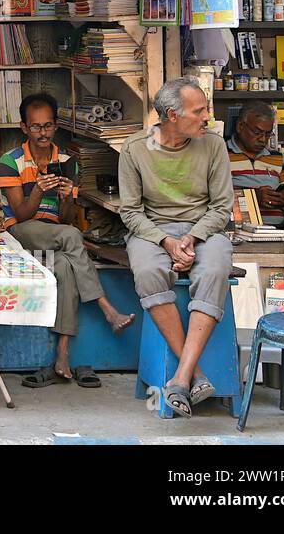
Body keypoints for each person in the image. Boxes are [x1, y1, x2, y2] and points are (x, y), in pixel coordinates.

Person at [0, 93, 134, 389]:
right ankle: (107, 308)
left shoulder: (67, 162)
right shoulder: (10, 161)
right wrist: (37, 191)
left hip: (55, 238)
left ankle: (62, 355)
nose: (43, 133)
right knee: (72, 238)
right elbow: (20, 215)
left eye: (48, 126)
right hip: (21, 233)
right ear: (24, 128)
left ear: (56, 126)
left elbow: (68, 218)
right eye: (36, 127)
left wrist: (66, 195)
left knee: (66, 269)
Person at [118, 77, 234, 418]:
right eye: (199, 111)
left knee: (214, 268)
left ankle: (181, 377)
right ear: (172, 115)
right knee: (149, 271)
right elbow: (131, 212)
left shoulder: (213, 145)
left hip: (203, 230)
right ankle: (195, 375)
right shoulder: (135, 148)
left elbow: (222, 207)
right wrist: (167, 242)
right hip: (153, 232)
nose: (207, 118)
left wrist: (192, 238)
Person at [227, 104, 284, 226]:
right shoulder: (221, 155)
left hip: (279, 231)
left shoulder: (276, 158)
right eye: (257, 132)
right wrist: (254, 198)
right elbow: (214, 203)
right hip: (239, 232)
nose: (263, 139)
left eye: (268, 134)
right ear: (240, 126)